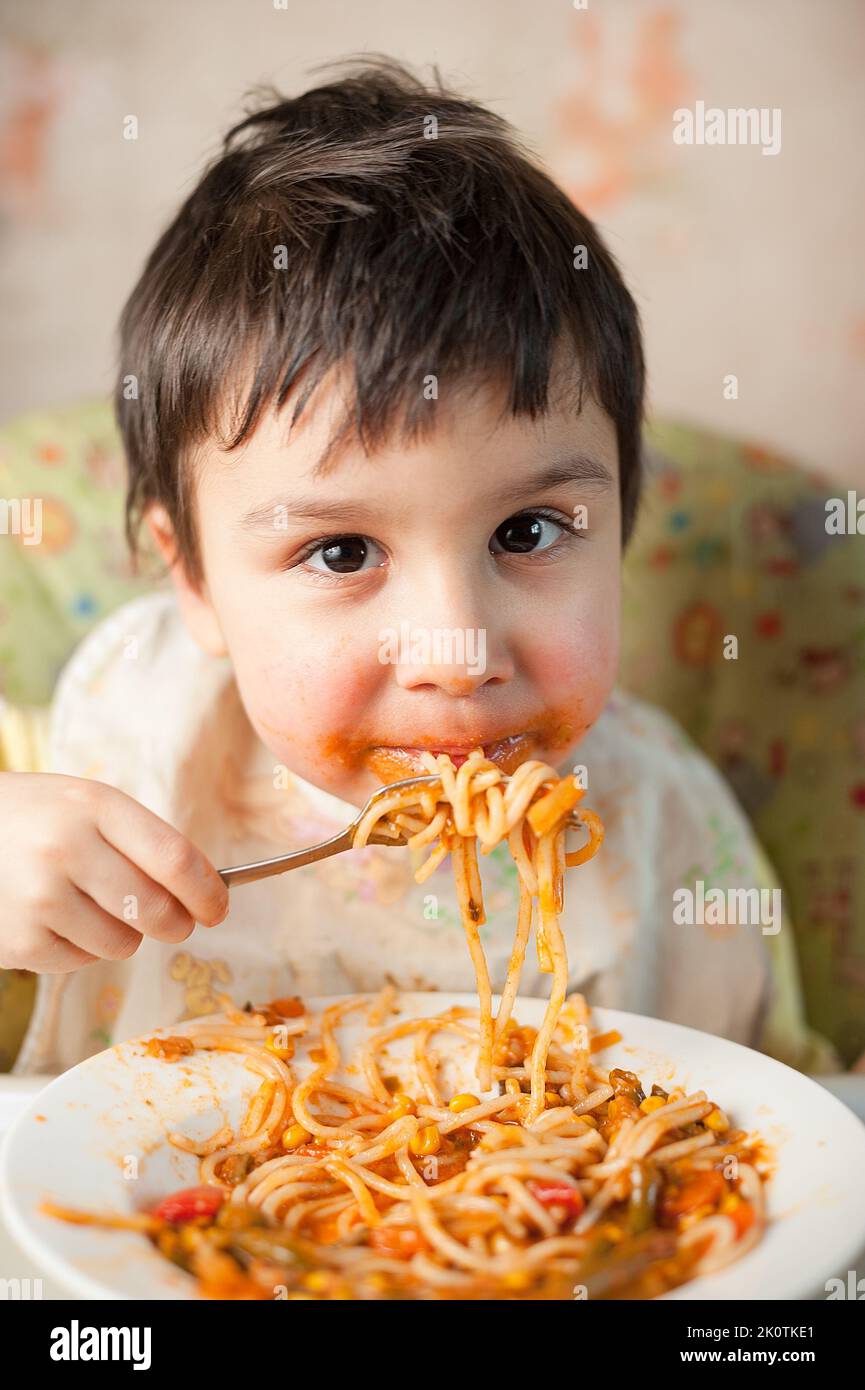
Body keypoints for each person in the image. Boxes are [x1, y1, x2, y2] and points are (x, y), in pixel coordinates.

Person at [0, 57, 835, 1078]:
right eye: (340, 551)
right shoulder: (107, 758)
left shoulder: (668, 832)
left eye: (527, 532)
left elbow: (787, 1127)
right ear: (197, 584)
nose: (457, 652)